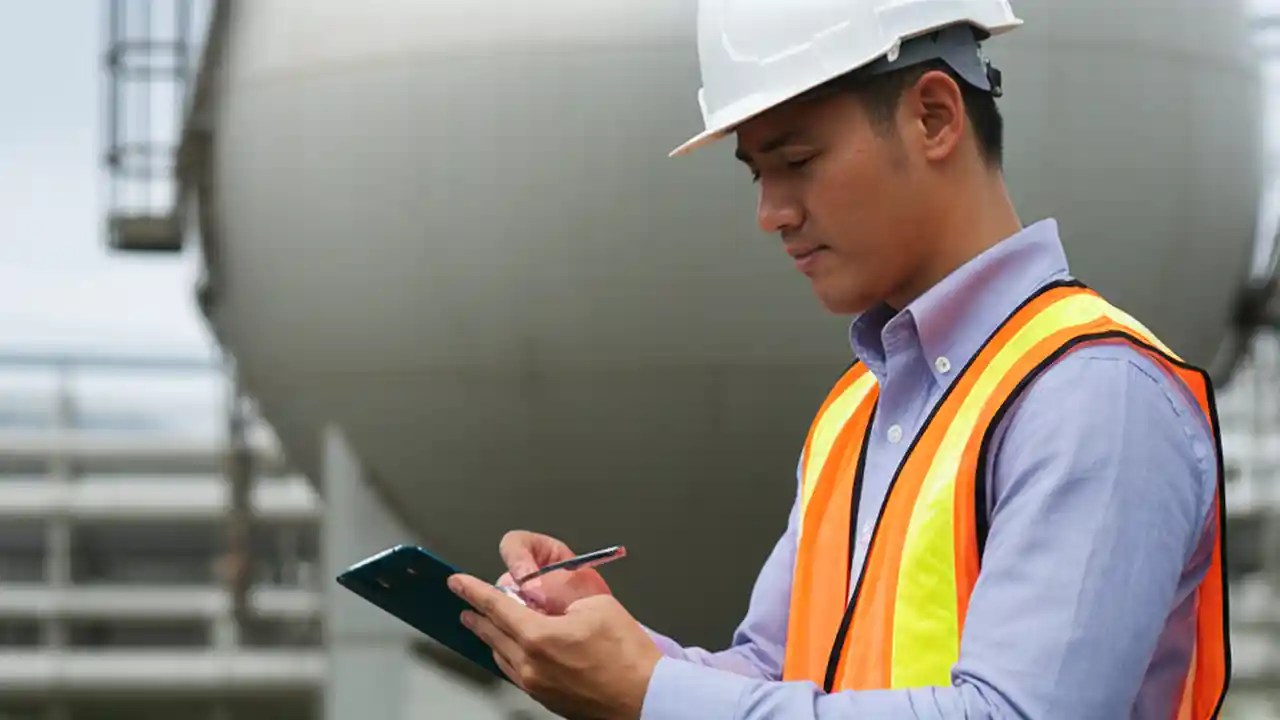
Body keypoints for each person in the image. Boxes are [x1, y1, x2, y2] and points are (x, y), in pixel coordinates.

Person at [447, 1, 1229, 718]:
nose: (771, 214)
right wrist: (614, 649)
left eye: (798, 160)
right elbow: (775, 674)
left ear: (933, 116)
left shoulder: (1095, 397)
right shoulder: (858, 410)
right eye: (760, 174)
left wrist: (651, 696)